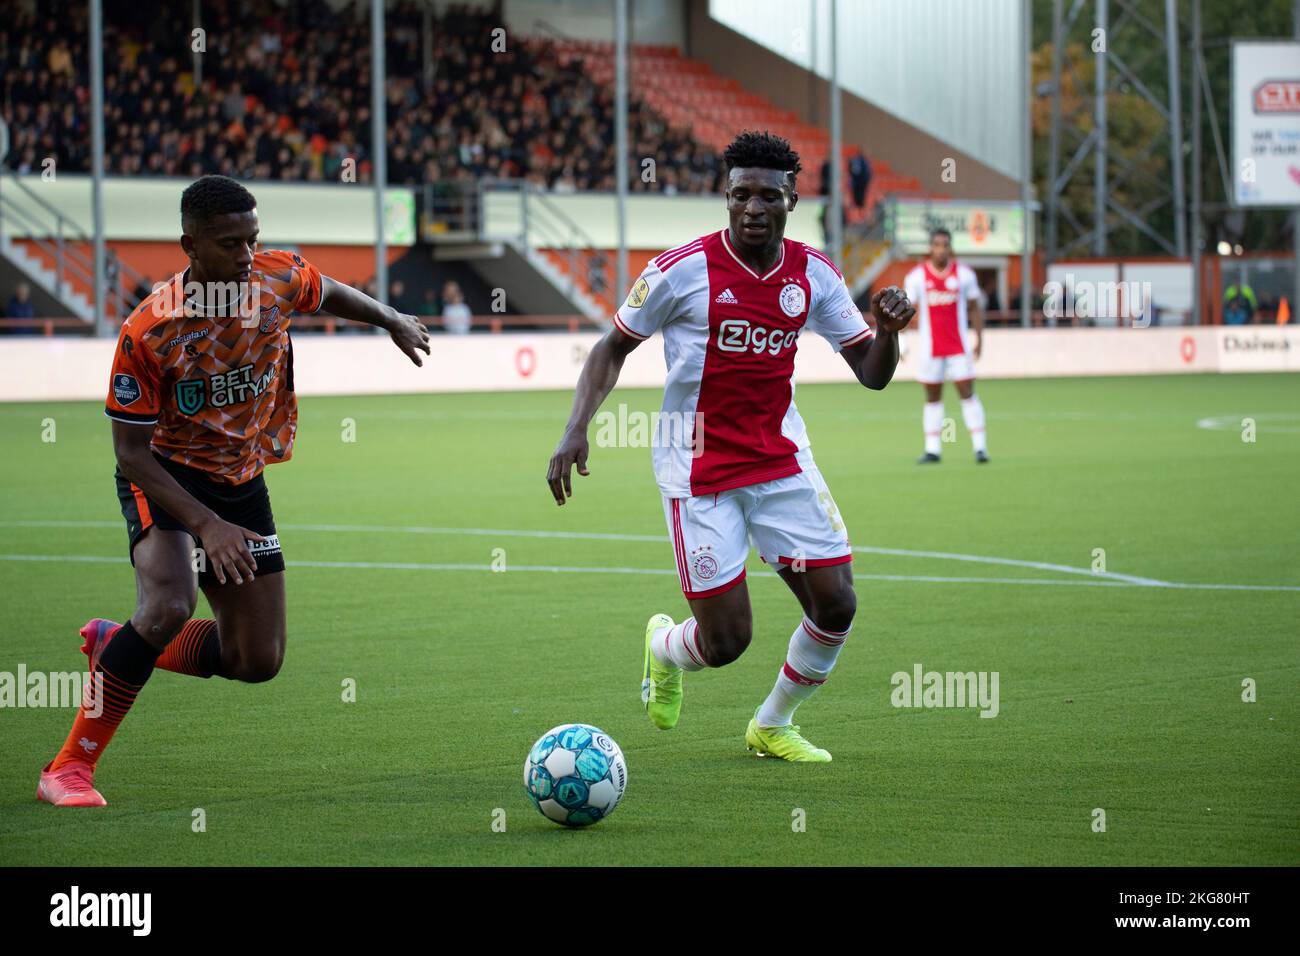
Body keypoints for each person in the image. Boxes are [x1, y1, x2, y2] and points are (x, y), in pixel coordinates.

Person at [36, 175, 430, 807]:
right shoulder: (150, 331)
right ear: (189, 245)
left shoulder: (274, 278)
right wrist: (205, 526)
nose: (245, 256)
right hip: (167, 477)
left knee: (256, 659)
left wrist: (390, 319)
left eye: (252, 239)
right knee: (168, 603)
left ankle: (120, 646)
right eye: (228, 244)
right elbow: (130, 455)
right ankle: (68, 769)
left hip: (242, 479)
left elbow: (324, 289)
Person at [546, 131, 915, 762]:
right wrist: (576, 426)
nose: (752, 207)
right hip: (697, 468)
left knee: (837, 603)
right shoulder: (676, 271)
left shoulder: (814, 274)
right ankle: (664, 649)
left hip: (779, 459)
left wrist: (887, 331)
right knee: (726, 643)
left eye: (767, 196)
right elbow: (611, 348)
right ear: (725, 195)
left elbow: (873, 373)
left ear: (790, 199)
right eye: (740, 194)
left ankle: (772, 725)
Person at [904, 228, 989, 464]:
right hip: (930, 349)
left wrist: (980, 339)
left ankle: (980, 447)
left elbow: (975, 307)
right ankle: (933, 449)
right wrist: (902, 341)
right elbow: (905, 312)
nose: (941, 249)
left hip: (958, 348)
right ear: (931, 248)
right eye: (937, 244)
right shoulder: (916, 277)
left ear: (950, 248)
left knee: (967, 393)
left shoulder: (964, 275)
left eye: (945, 244)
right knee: (932, 396)